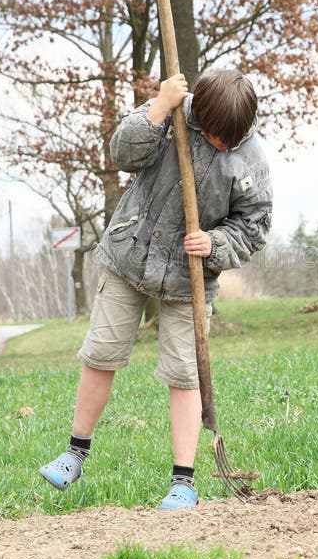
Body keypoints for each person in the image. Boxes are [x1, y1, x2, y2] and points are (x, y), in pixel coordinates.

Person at [39, 68, 272, 508]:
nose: (221, 143)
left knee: (185, 373)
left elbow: (254, 225)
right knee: (101, 353)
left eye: (230, 138)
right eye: (214, 133)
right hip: (130, 254)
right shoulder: (172, 114)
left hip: (191, 277)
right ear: (199, 110)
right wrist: (158, 106)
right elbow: (122, 153)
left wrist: (216, 243)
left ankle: (183, 481)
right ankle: (74, 453)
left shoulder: (251, 158)